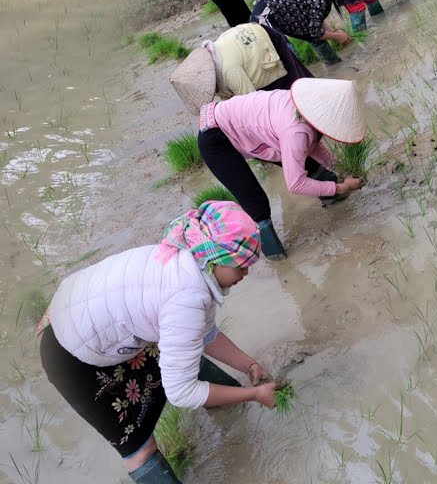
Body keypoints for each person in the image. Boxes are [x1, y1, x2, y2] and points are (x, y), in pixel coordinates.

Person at [39, 201, 282, 484]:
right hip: (71, 356)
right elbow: (182, 392)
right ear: (214, 257)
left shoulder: (188, 260)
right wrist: (254, 395)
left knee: (180, 353)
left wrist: (249, 364)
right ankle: (233, 402)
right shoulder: (186, 296)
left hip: (87, 319)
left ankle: (229, 409)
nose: (246, 274)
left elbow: (201, 333)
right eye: (242, 265)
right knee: (140, 447)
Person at [197, 78, 366, 261]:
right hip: (216, 139)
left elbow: (313, 144)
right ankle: (274, 254)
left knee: (307, 164)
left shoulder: (303, 107)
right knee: (255, 200)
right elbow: (295, 184)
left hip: (246, 126)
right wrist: (343, 187)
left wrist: (342, 169)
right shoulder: (295, 131)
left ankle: (333, 198)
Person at [168, 23, 313, 113]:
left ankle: (316, 106)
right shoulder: (211, 57)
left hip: (266, 39)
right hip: (247, 39)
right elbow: (231, 100)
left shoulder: (228, 71)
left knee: (295, 84)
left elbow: (252, 101)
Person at [252, 0, 352, 65]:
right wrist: (338, 36)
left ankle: (334, 65)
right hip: (265, 14)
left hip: (281, 16)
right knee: (289, 53)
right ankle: (299, 79)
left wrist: (334, 33)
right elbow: (316, 32)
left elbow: (316, 21)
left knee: (315, 39)